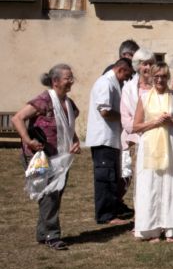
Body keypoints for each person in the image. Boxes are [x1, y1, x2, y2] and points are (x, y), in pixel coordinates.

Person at [12, 64, 81, 250]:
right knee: (49, 195)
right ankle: (52, 235)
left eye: (72, 77)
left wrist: (75, 141)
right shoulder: (43, 100)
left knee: (54, 195)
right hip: (40, 156)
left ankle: (43, 233)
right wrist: (28, 141)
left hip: (60, 156)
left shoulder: (68, 103)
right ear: (55, 81)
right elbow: (17, 118)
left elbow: (68, 126)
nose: (71, 81)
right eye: (68, 78)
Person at [132, 63, 173, 242]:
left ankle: (171, 227)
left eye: (163, 76)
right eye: (156, 76)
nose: (159, 80)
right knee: (151, 184)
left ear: (168, 78)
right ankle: (151, 229)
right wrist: (155, 122)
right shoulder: (144, 97)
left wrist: (171, 122)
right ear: (151, 78)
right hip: (151, 145)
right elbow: (136, 126)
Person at [87, 58, 134, 225]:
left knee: (113, 176)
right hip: (103, 139)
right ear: (121, 69)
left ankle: (112, 211)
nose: (126, 79)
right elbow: (105, 111)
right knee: (105, 177)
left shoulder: (114, 83)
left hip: (112, 139)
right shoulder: (105, 83)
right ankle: (105, 215)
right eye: (127, 75)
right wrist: (125, 118)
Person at [120, 48, 157, 215]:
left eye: (150, 63)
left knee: (157, 179)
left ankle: (156, 216)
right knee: (141, 181)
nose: (147, 67)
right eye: (144, 64)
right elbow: (126, 120)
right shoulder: (129, 88)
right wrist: (144, 128)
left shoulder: (159, 86)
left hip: (158, 138)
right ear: (137, 66)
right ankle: (141, 217)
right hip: (136, 140)